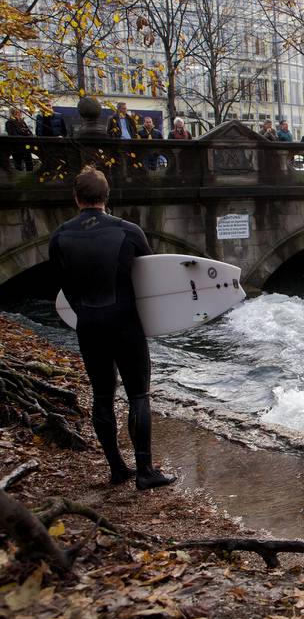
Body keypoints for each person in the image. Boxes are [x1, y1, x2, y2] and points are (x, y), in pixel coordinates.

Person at [48, 167, 176, 490]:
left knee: (102, 395)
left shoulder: (59, 237)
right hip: (124, 323)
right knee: (138, 394)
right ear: (107, 197)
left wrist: (86, 314)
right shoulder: (129, 231)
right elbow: (151, 283)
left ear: (76, 197)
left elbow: (65, 288)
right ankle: (144, 470)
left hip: (88, 324)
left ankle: (117, 468)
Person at [5, 108, 34, 172]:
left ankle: (30, 175)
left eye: (20, 113)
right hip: (16, 146)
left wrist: (27, 135)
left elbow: (29, 132)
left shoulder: (22, 121)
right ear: (14, 114)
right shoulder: (9, 122)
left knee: (29, 162)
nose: (20, 114)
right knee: (18, 163)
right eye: (19, 113)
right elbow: (13, 134)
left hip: (26, 145)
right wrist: (24, 134)